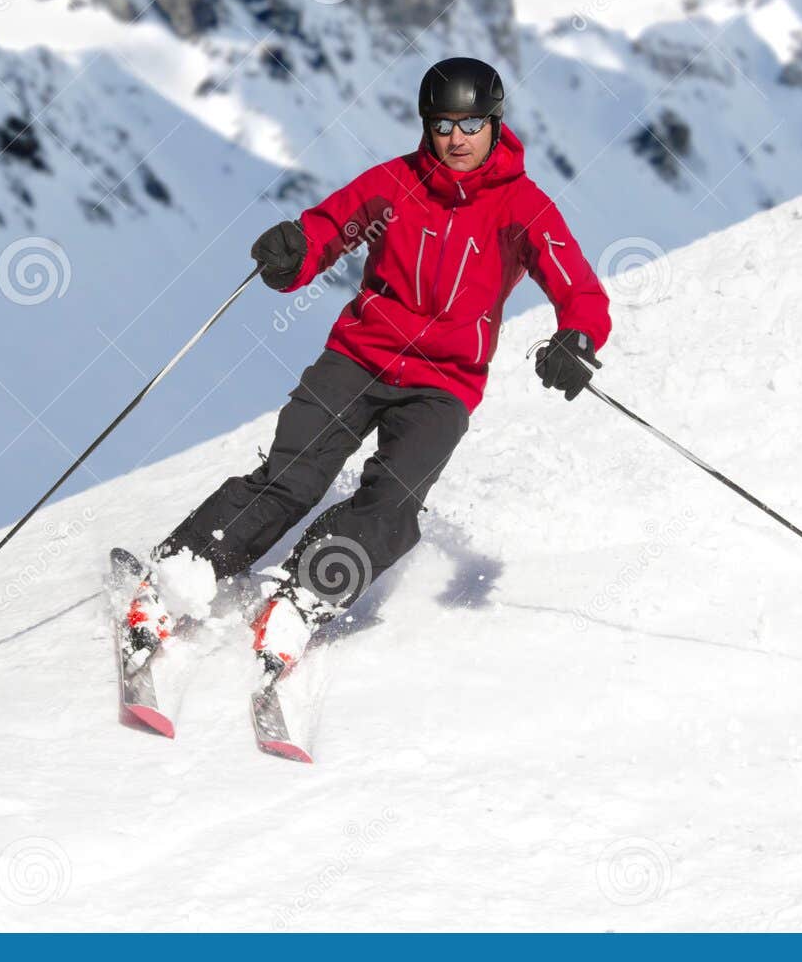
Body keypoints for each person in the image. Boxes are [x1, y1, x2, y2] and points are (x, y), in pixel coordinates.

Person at [138, 56, 612, 674]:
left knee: (392, 505)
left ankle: (301, 599)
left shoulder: (522, 206)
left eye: (472, 124)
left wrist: (577, 338)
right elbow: (331, 227)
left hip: (444, 385)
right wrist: (296, 252)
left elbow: (578, 287)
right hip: (359, 356)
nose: (457, 139)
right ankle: (180, 574)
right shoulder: (395, 183)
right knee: (292, 478)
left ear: (496, 124)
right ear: (427, 126)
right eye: (443, 125)